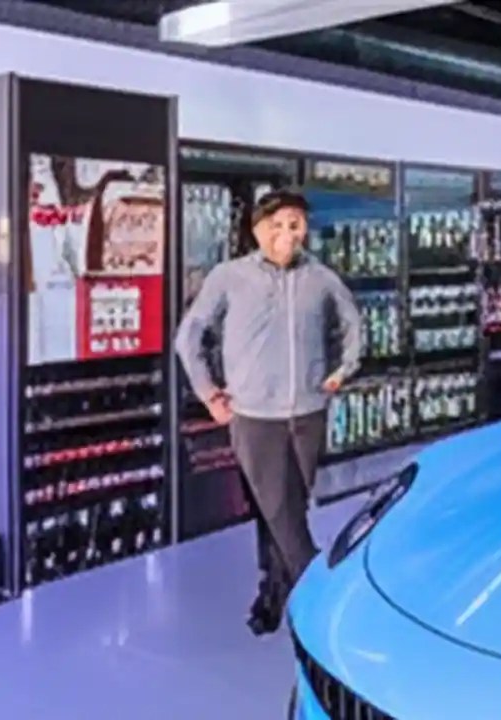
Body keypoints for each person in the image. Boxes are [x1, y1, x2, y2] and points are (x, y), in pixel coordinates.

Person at [176, 188, 361, 635]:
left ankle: (271, 597)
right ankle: (320, 592)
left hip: (309, 413)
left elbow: (352, 323)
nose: (285, 233)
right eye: (275, 224)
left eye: (294, 223)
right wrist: (209, 394)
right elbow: (190, 335)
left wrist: (342, 370)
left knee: (280, 508)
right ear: (257, 230)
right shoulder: (229, 276)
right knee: (281, 511)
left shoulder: (321, 277)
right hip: (255, 417)